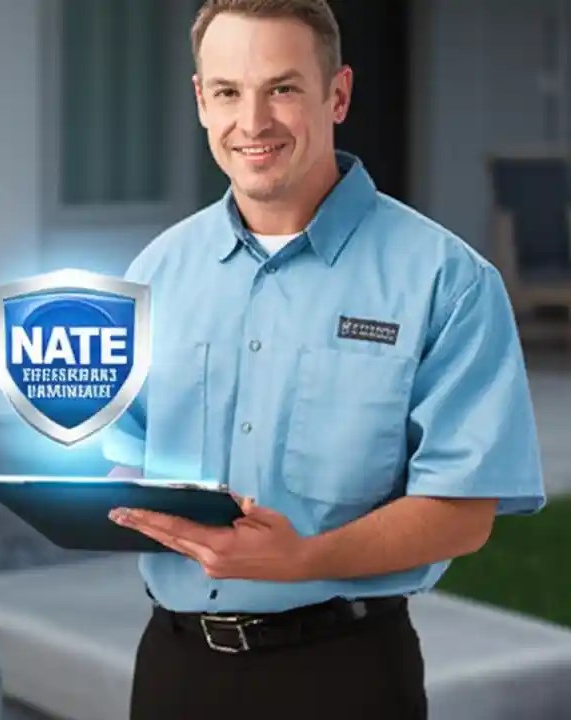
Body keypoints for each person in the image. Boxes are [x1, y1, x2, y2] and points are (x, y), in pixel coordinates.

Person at [99, 1, 547, 718]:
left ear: (336, 94)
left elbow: (464, 510)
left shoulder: (445, 280)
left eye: (281, 88)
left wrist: (304, 559)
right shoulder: (155, 270)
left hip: (343, 675)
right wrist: (96, 495)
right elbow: (125, 450)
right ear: (199, 101)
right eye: (227, 92)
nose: (253, 122)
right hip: (173, 669)